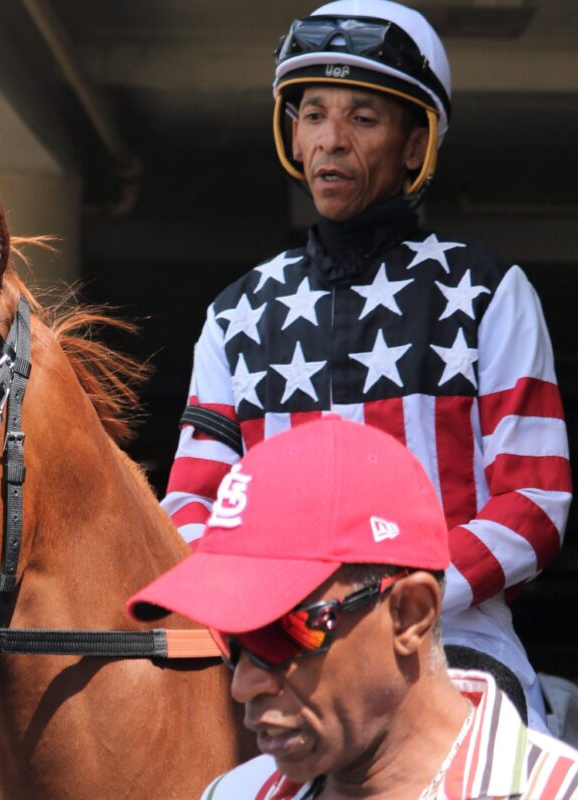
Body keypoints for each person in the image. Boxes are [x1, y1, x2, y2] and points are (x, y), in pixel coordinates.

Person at [166, 0, 570, 733]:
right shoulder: (236, 312)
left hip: (454, 644)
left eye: (363, 118)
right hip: (274, 649)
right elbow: (190, 509)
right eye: (313, 113)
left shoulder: (489, 292)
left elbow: (534, 506)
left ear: (416, 146)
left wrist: (379, 605)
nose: (332, 140)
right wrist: (269, 610)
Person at [0, 419, 578, 799]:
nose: (244, 683)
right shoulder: (242, 792)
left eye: (285, 630)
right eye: (234, 642)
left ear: (413, 614)